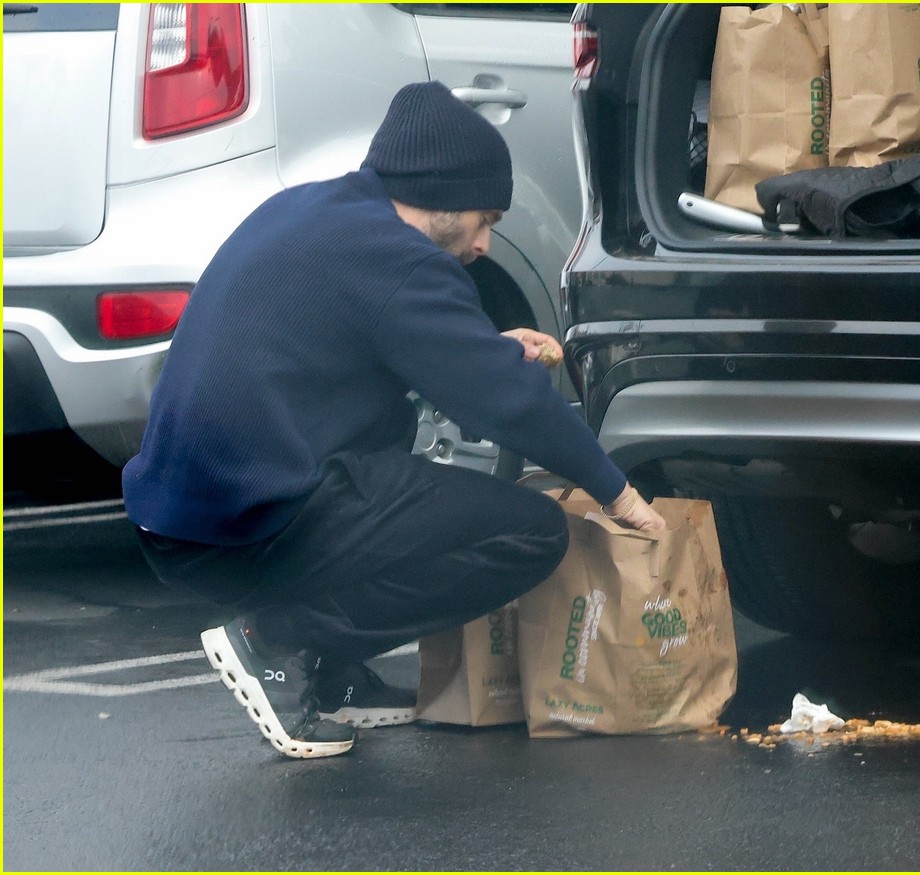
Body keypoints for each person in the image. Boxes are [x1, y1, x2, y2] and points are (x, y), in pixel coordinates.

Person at [122, 81, 666, 760]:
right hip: (240, 529)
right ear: (445, 197)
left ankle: (337, 676)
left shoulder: (315, 212)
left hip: (179, 516)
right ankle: (277, 639)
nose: (486, 242)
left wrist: (485, 353)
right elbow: (506, 402)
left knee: (388, 433)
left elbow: (357, 344)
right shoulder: (401, 262)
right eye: (485, 216)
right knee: (528, 533)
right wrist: (617, 491)